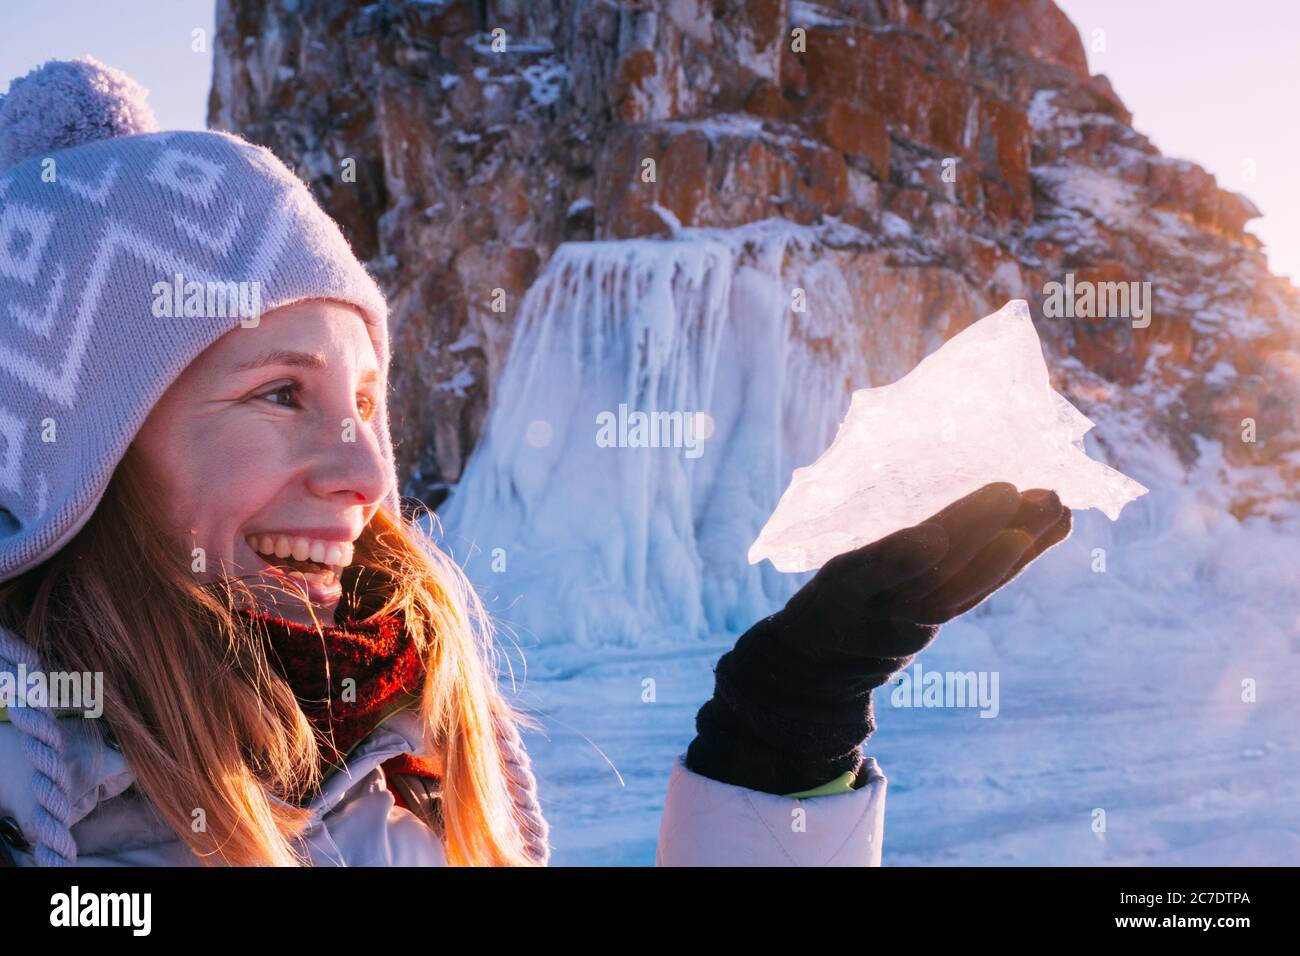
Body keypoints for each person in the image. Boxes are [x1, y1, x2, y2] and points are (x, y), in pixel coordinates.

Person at [0, 58, 1069, 867]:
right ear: (72, 455)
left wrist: (780, 738)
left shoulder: (408, 762)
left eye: (366, 401)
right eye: (281, 393)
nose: (367, 475)